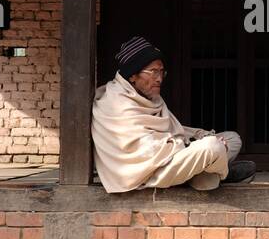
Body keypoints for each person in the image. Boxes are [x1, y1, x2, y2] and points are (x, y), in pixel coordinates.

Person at [91, 36, 255, 193]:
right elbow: (146, 150)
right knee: (212, 147)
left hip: (170, 157)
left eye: (162, 72)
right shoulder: (115, 103)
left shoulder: (151, 98)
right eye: (154, 71)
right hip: (146, 172)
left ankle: (205, 173)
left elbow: (171, 128)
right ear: (133, 75)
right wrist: (197, 145)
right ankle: (219, 174)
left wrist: (200, 136)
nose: (159, 78)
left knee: (232, 139)